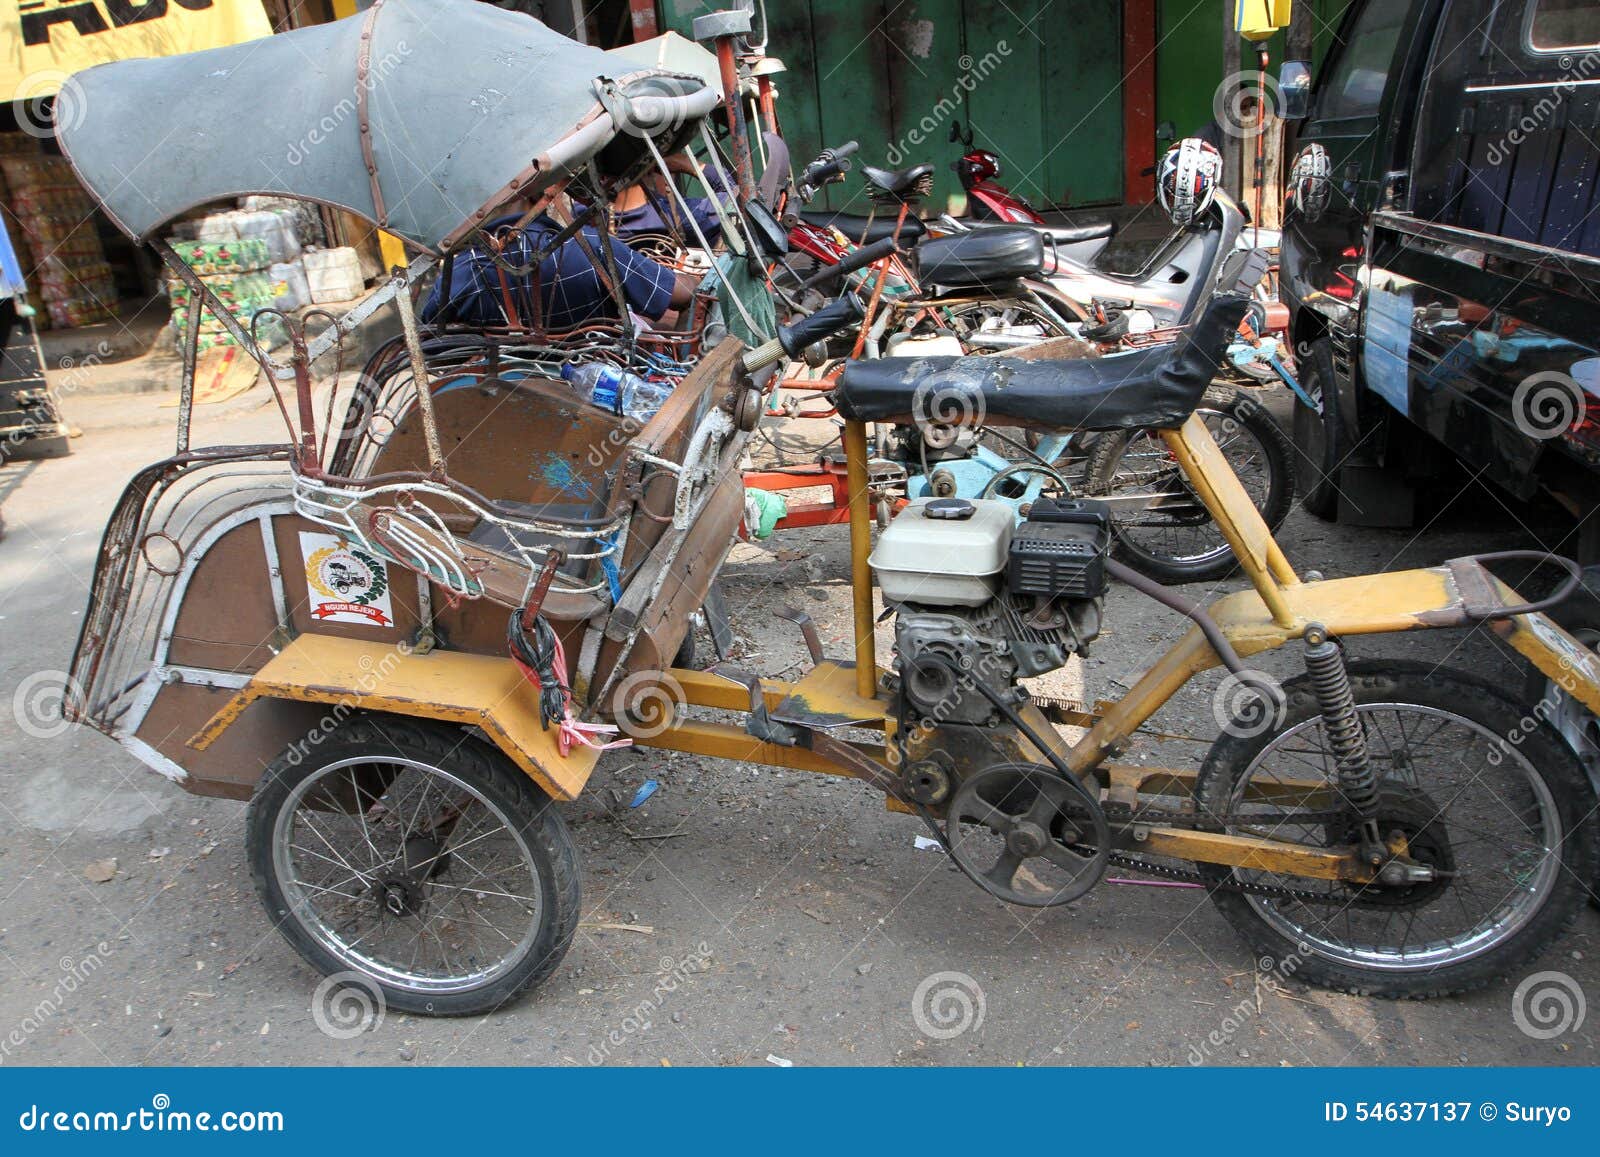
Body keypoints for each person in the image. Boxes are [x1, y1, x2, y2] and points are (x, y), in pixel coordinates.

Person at [421, 197, 695, 329]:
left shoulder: (457, 276)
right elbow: (684, 295)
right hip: (598, 390)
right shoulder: (591, 246)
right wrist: (694, 281)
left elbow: (436, 349)